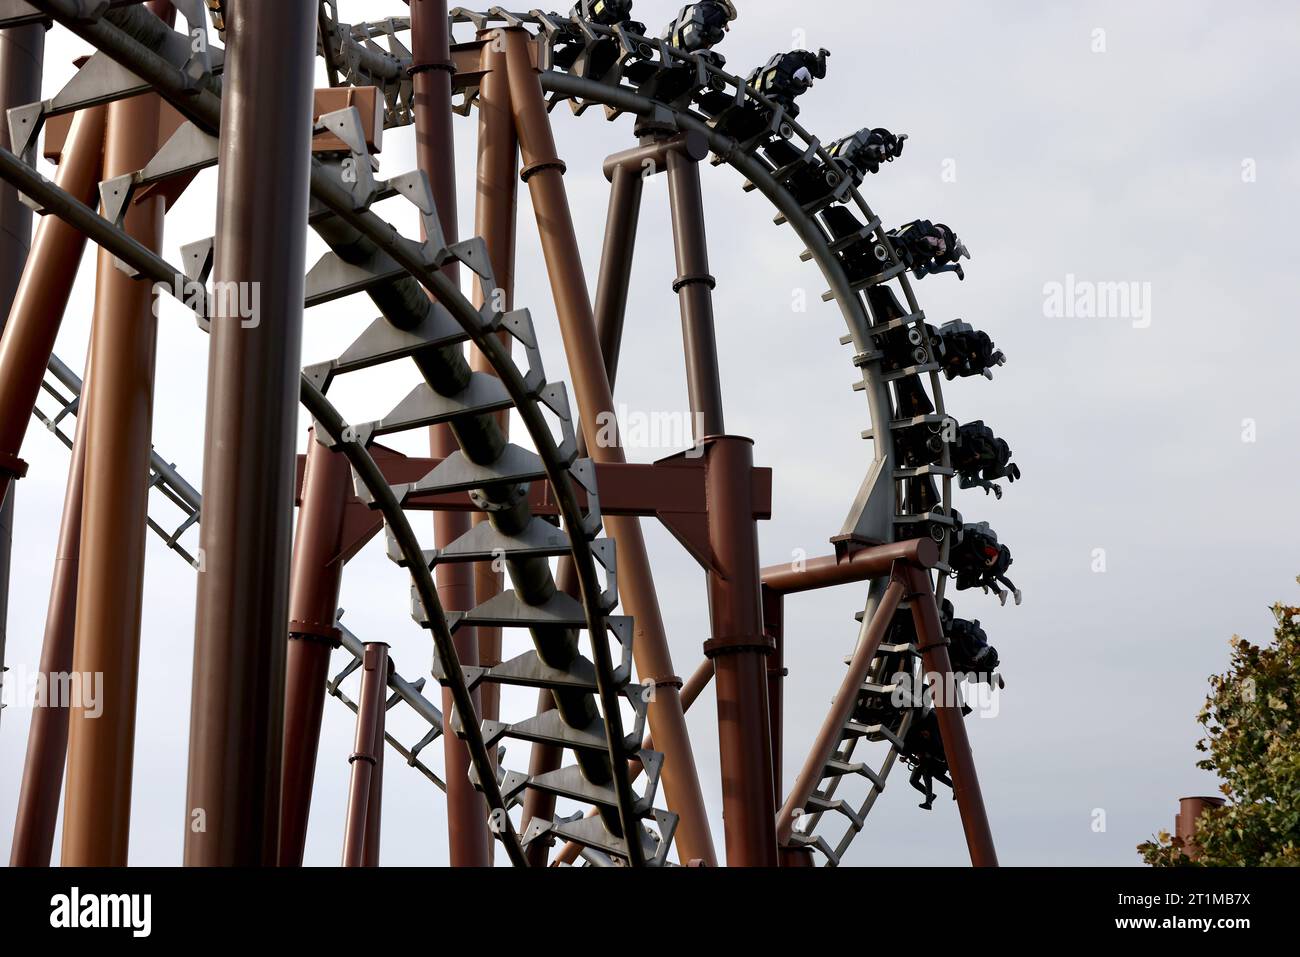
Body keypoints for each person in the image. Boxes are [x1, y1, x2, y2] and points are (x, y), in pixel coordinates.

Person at [747, 48, 829, 117]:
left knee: (820, 73)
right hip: (796, 60)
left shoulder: (797, 68)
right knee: (820, 73)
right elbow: (803, 72)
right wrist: (809, 82)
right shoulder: (800, 71)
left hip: (797, 60)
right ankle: (822, 52)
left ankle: (822, 53)